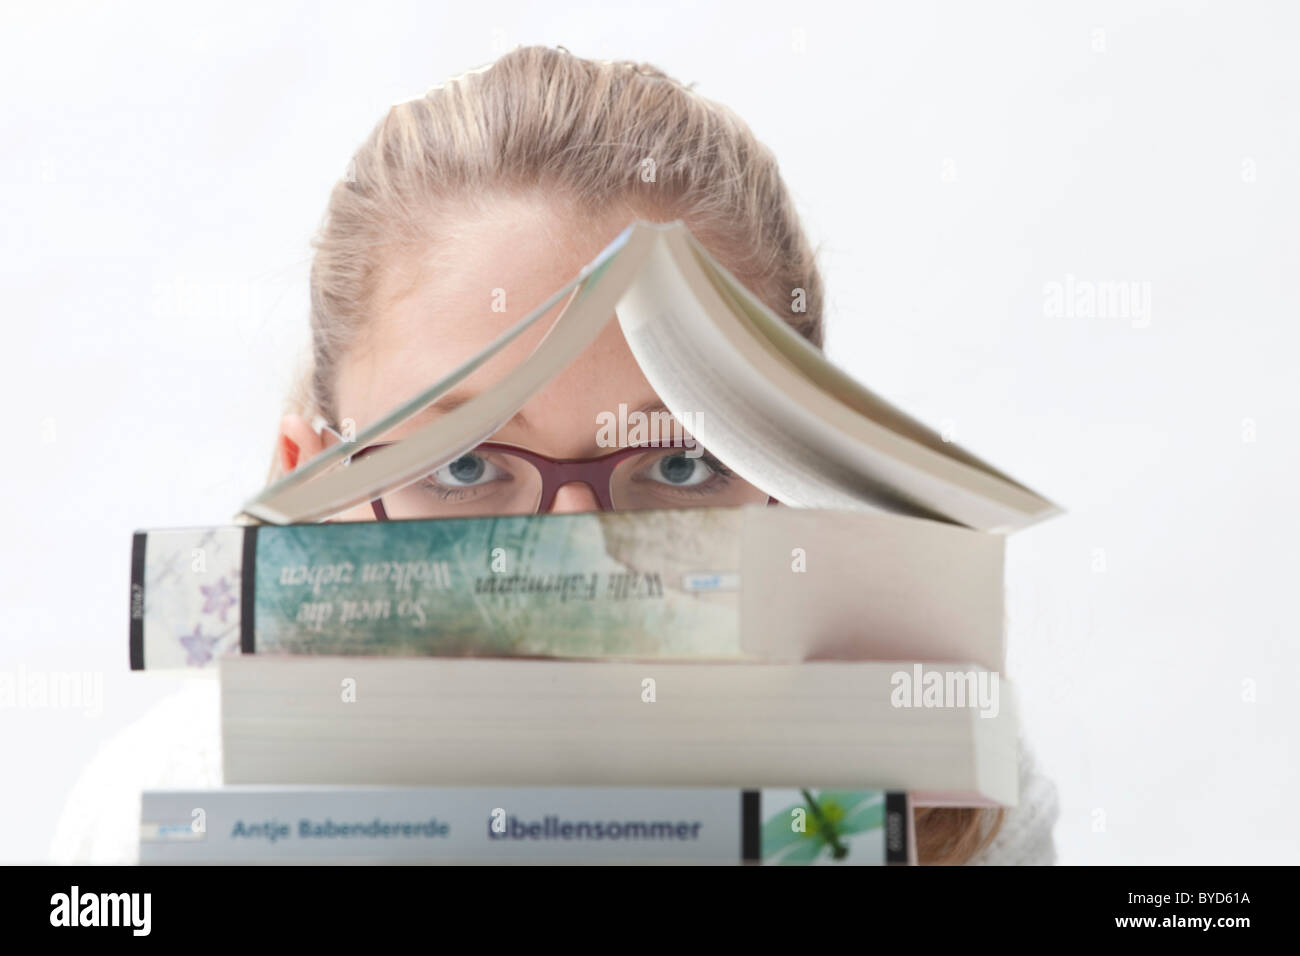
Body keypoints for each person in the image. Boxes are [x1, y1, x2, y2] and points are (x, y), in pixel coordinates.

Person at [52, 45, 1057, 865]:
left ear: (802, 479)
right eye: (461, 464)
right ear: (306, 494)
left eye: (676, 467)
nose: (581, 570)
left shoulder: (935, 799)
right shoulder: (161, 816)